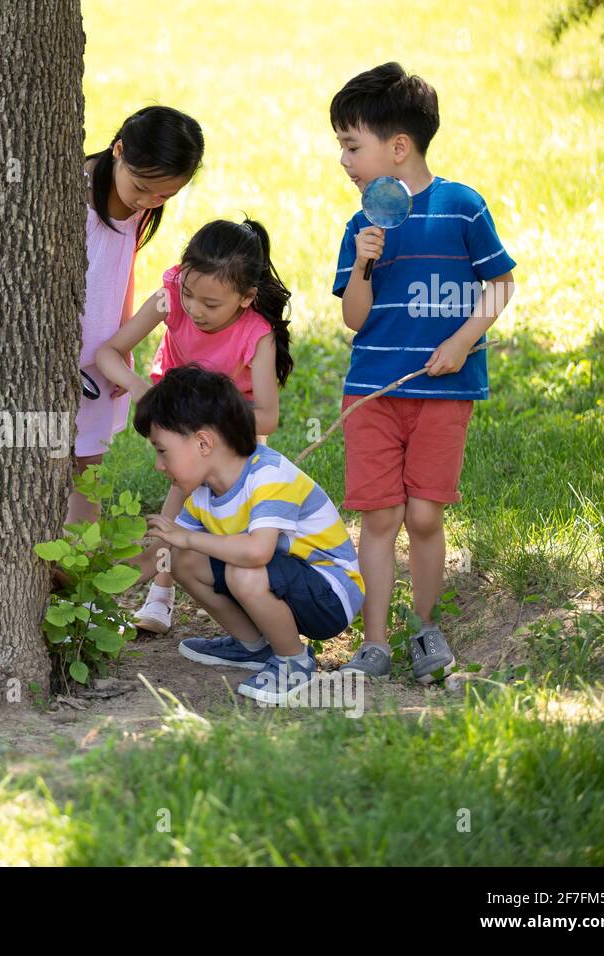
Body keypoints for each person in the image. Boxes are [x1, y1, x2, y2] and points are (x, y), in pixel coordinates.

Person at [330, 62, 517, 683]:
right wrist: (362, 266)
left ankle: (426, 628)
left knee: (425, 516)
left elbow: (500, 283)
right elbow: (355, 319)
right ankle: (376, 640)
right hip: (371, 394)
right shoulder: (363, 225)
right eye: (342, 148)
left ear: (399, 146)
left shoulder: (461, 208)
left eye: (352, 146)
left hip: (445, 391)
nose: (345, 160)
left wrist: (463, 342)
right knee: (379, 516)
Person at [94, 218, 293, 634]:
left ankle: (179, 591)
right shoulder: (171, 299)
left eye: (211, 303)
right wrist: (136, 387)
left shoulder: (257, 335)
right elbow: (110, 352)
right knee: (183, 493)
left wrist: (203, 424)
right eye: (189, 294)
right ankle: (159, 594)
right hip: (182, 419)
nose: (196, 310)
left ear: (246, 297)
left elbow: (267, 416)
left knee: (216, 511)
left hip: (234, 427)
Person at [129, 365, 364, 706]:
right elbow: (160, 557)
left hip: (329, 593)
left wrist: (189, 538)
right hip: (281, 580)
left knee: (242, 569)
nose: (158, 465)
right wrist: (90, 582)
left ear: (203, 442)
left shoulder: (268, 476)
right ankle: (253, 645)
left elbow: (257, 552)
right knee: (180, 560)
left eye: (162, 450)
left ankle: (293, 662)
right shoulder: (203, 494)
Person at [69, 105, 204, 525]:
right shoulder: (77, 192)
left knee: (87, 466)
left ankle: (80, 574)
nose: (148, 200)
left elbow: (122, 272)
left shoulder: (141, 208)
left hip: (100, 353)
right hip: (59, 347)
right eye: (142, 186)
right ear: (119, 150)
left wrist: (122, 346)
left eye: (164, 195)